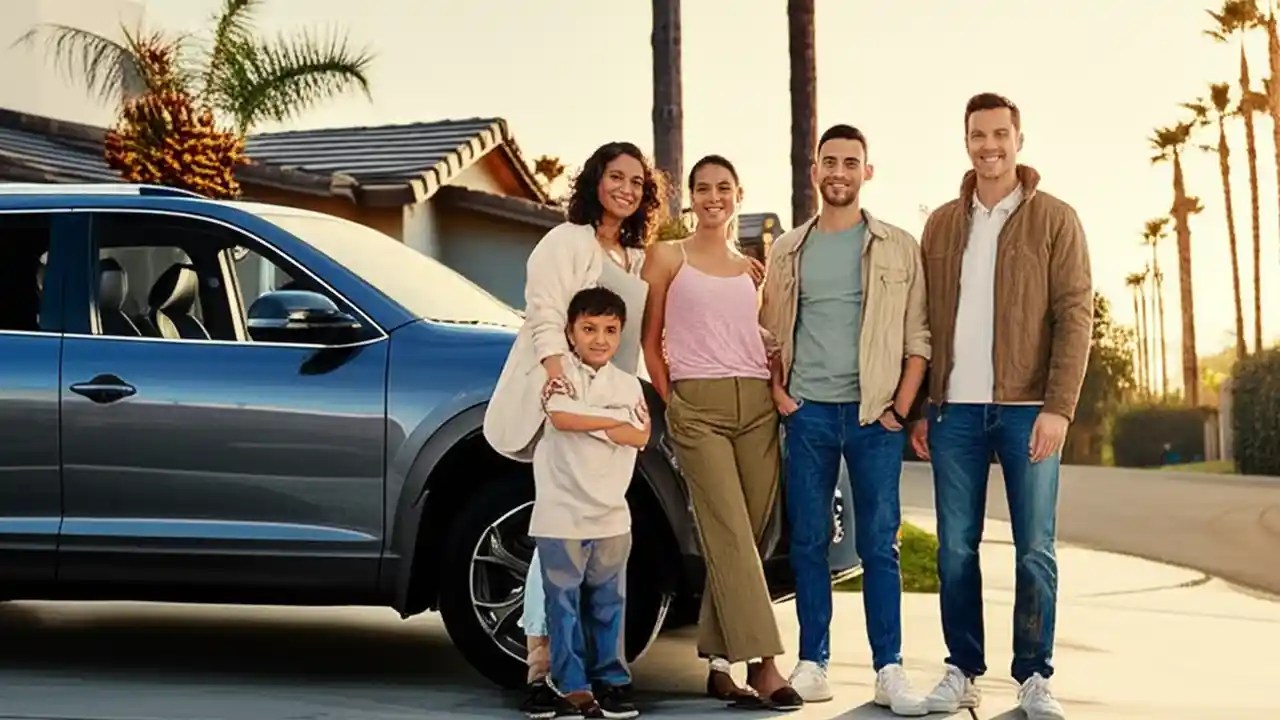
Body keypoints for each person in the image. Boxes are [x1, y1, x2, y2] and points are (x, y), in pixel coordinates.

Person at [911, 92, 1092, 720]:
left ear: (1019, 139)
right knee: (954, 549)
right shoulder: (941, 224)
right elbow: (923, 320)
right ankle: (962, 670)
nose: (988, 146)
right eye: (977, 135)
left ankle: (1035, 675)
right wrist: (922, 406)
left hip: (1029, 409)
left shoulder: (1056, 219)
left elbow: (1075, 316)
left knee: (1034, 547)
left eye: (999, 134)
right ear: (966, 141)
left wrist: (1059, 407)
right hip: (954, 411)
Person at [483, 141, 665, 718]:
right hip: (564, 399)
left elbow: (638, 332)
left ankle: (582, 673)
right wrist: (560, 380)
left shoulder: (634, 255)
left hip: (612, 411)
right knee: (555, 545)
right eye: (616, 177)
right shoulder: (566, 240)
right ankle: (542, 673)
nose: (626, 189)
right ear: (595, 181)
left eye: (637, 182)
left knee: (592, 558)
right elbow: (544, 313)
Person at [758, 124, 931, 715]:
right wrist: (779, 393)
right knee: (808, 542)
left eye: (850, 162)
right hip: (808, 414)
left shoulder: (898, 246)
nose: (839, 172)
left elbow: (919, 336)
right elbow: (768, 333)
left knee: (880, 545)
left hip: (873, 417)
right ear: (815, 171)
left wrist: (899, 408)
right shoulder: (788, 249)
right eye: (829, 162)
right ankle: (814, 663)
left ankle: (889, 670)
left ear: (867, 172)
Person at [640, 155, 803, 711]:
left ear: (739, 195)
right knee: (729, 531)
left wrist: (773, 381)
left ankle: (717, 664)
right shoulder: (668, 256)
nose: (714, 197)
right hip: (698, 408)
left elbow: (754, 336)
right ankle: (764, 664)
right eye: (703, 188)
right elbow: (650, 340)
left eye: (724, 188)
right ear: (691, 197)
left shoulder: (750, 268)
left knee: (746, 539)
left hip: (756, 408)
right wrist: (674, 402)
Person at [531, 286, 650, 719]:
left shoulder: (628, 384)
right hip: (560, 512)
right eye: (588, 328)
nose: (600, 339)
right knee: (561, 605)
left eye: (610, 330)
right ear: (570, 332)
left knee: (608, 604)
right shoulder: (557, 377)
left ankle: (612, 681)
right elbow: (562, 417)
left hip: (611, 516)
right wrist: (614, 419)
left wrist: (592, 420)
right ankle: (570, 685)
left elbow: (639, 435)